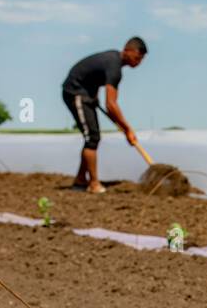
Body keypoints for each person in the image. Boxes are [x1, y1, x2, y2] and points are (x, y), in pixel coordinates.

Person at [61, 37, 148, 193]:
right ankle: (94, 184)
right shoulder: (114, 66)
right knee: (92, 138)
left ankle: (81, 179)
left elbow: (92, 77)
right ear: (127, 50)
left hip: (86, 94)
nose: (138, 62)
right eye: (137, 57)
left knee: (93, 138)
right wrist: (128, 129)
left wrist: (93, 96)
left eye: (141, 59)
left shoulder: (113, 62)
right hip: (74, 92)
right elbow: (111, 105)